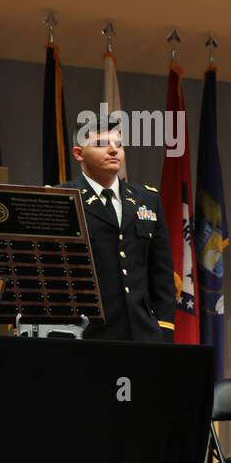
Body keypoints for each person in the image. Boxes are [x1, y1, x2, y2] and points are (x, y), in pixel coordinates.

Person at [61, 129, 175, 342]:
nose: (114, 150)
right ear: (78, 153)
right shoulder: (62, 198)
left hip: (143, 332)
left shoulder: (147, 199)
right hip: (85, 333)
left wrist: (164, 329)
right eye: (102, 144)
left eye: (119, 144)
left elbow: (162, 275)